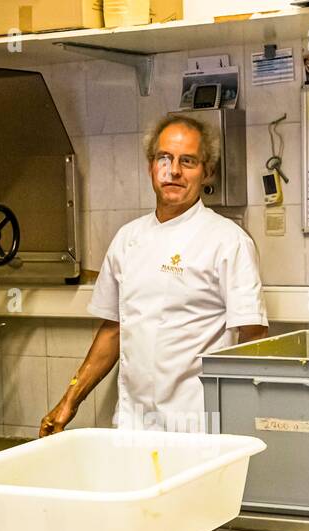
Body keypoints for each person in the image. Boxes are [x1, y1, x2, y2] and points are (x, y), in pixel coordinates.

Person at [40, 113, 267, 436]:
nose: (173, 170)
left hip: (200, 426)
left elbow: (252, 338)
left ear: (207, 172)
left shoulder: (228, 242)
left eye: (188, 161)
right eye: (164, 158)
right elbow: (113, 331)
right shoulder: (127, 239)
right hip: (133, 424)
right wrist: (69, 401)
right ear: (151, 166)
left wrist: (240, 424)